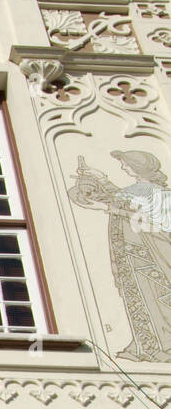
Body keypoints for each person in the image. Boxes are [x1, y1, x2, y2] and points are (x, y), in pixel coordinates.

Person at [68, 149, 171, 360]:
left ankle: (163, 346)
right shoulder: (140, 190)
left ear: (138, 167)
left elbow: (149, 222)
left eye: (126, 164)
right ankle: (146, 346)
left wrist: (109, 207)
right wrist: (99, 178)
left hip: (149, 258)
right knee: (138, 300)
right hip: (133, 256)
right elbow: (119, 198)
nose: (123, 167)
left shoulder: (158, 194)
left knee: (155, 299)